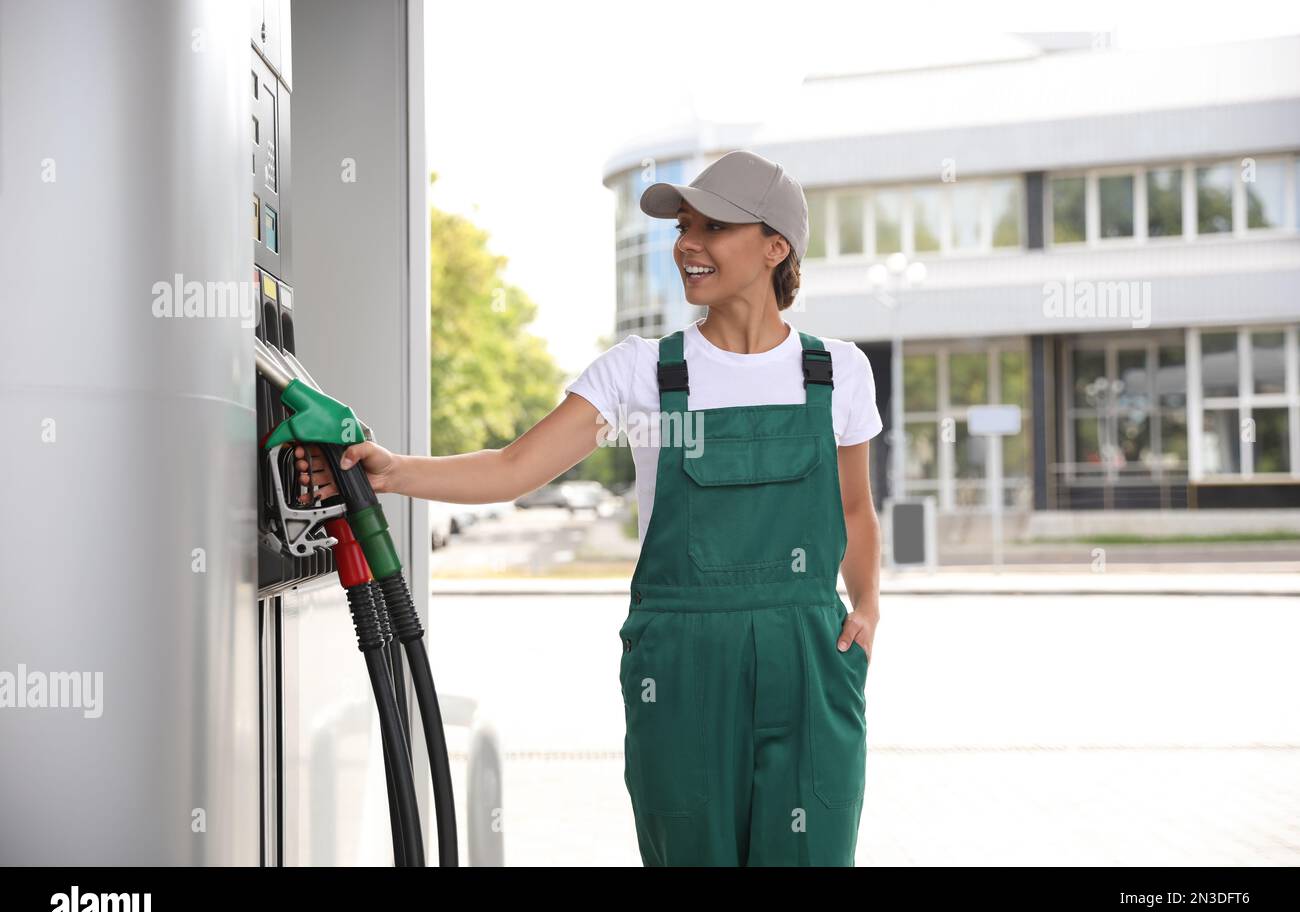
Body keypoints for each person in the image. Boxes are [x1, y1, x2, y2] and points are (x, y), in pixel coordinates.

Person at [295, 149, 884, 866]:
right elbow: (514, 468)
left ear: (774, 246)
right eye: (683, 227)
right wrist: (392, 472)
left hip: (810, 657)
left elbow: (855, 509)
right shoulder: (643, 372)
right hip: (684, 661)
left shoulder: (837, 372)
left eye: (711, 227)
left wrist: (868, 605)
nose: (686, 244)